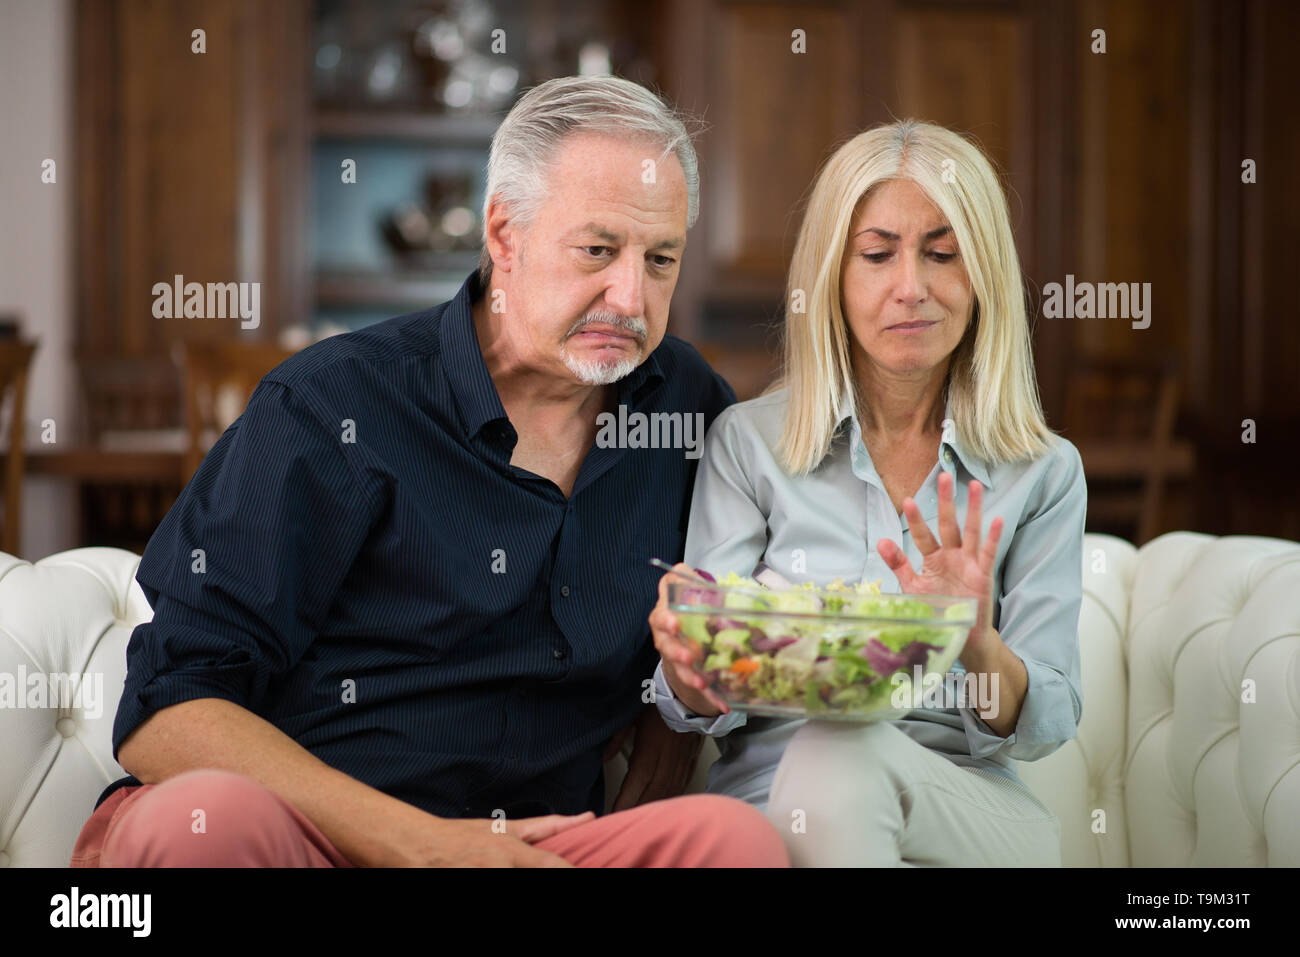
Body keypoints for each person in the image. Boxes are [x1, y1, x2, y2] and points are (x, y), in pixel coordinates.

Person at [70, 75, 788, 868]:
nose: (631, 296)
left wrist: (667, 731)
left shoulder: (688, 407)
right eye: (597, 249)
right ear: (504, 233)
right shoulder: (331, 403)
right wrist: (424, 845)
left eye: (661, 259)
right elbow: (166, 708)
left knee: (733, 841)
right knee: (201, 821)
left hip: (536, 847)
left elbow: (718, 618)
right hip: (310, 836)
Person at [649, 119, 1087, 867]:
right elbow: (699, 703)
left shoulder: (1043, 471)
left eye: (943, 253)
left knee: (841, 756)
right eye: (878, 254)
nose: (910, 286)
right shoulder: (748, 445)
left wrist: (972, 637)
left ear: (982, 274)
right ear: (832, 276)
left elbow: (1043, 723)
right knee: (828, 752)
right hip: (771, 814)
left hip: (968, 813)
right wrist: (692, 669)